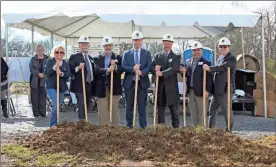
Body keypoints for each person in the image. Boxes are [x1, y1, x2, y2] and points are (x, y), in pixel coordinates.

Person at [202, 37, 237, 132]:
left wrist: (210, 68)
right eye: (220, 47)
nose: (222, 48)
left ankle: (229, 130)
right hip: (216, 91)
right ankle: (210, 129)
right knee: (212, 111)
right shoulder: (220, 58)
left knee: (227, 111)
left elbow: (223, 67)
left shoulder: (231, 58)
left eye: (224, 47)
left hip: (225, 90)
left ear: (229, 47)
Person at [122, 30, 152, 128]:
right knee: (129, 107)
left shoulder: (147, 53)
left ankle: (143, 127)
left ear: (142, 41)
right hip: (130, 84)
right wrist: (132, 69)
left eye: (139, 40)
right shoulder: (126, 53)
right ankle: (129, 126)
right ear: (132, 41)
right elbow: (123, 66)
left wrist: (142, 72)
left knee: (142, 108)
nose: (137, 42)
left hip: (142, 84)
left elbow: (149, 66)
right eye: (135, 40)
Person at [151, 33, 181, 128]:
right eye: (165, 43)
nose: (167, 45)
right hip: (160, 88)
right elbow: (150, 67)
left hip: (171, 88)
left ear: (172, 44)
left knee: (174, 111)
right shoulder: (157, 56)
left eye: (169, 43)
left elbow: (174, 68)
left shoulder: (176, 57)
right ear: (162, 43)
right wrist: (154, 69)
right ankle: (161, 129)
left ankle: (176, 129)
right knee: (160, 111)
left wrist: (162, 73)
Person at [179, 41, 212, 126]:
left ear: (201, 51)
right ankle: (196, 130)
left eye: (198, 50)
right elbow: (185, 75)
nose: (196, 52)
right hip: (190, 91)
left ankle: (202, 131)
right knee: (193, 112)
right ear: (192, 52)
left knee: (202, 113)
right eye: (194, 50)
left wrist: (207, 90)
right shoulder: (188, 62)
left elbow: (209, 78)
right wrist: (182, 71)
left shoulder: (206, 62)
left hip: (201, 92)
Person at [93, 36, 123, 125]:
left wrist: (115, 67)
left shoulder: (118, 57)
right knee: (102, 110)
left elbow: (122, 69)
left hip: (114, 87)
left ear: (112, 46)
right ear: (103, 47)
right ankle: (103, 129)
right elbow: (96, 70)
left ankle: (115, 129)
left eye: (109, 45)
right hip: (101, 87)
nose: (108, 47)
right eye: (106, 45)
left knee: (114, 109)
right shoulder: (97, 58)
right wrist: (107, 70)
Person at [69, 36, 95, 121]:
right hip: (79, 86)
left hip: (89, 85)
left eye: (86, 44)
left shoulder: (90, 58)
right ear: (79, 45)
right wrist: (78, 67)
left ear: (88, 45)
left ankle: (84, 121)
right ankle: (81, 122)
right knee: (81, 104)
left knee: (87, 104)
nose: (84, 45)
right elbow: (71, 69)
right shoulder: (75, 56)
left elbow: (94, 70)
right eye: (82, 44)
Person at [44, 46, 70, 127]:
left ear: (64, 54)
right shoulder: (49, 61)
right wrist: (54, 68)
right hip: (51, 86)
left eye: (61, 52)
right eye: (57, 52)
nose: (59, 54)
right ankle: (53, 125)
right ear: (54, 53)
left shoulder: (65, 63)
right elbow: (46, 72)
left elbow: (68, 75)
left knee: (59, 104)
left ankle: (56, 123)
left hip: (61, 87)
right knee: (56, 103)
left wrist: (61, 74)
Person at [29, 45, 49, 117]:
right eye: (38, 50)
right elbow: (31, 69)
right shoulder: (33, 59)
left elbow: (49, 68)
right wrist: (38, 74)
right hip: (34, 81)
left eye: (41, 49)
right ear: (36, 51)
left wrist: (44, 74)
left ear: (44, 50)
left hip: (44, 81)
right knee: (34, 98)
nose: (40, 51)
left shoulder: (48, 59)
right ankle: (36, 114)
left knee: (43, 98)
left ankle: (43, 113)